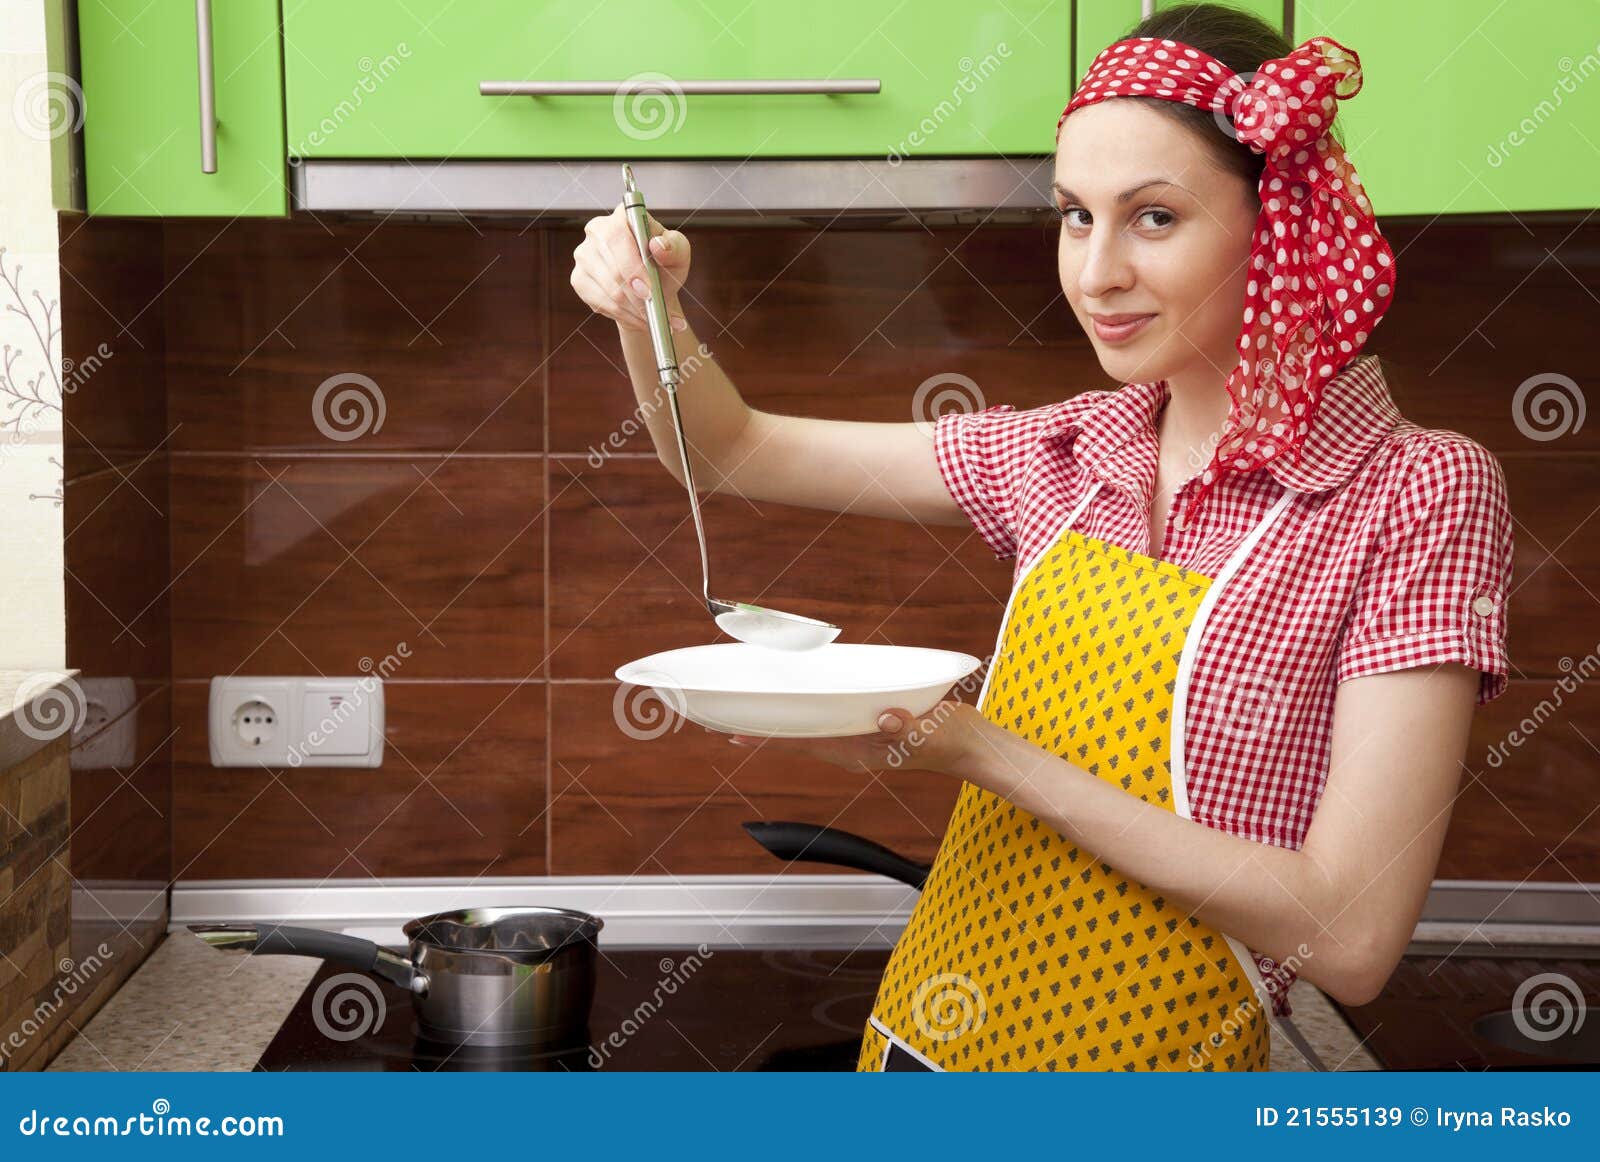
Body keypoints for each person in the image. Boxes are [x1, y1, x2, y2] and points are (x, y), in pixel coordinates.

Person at [569, 2, 1513, 1072]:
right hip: (926, 1051)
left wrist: (982, 754)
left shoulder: (1414, 491)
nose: (1095, 272)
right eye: (1074, 215)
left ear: (1278, 223)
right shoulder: (1066, 448)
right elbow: (728, 450)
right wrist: (651, 315)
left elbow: (1347, 935)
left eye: (1153, 217)